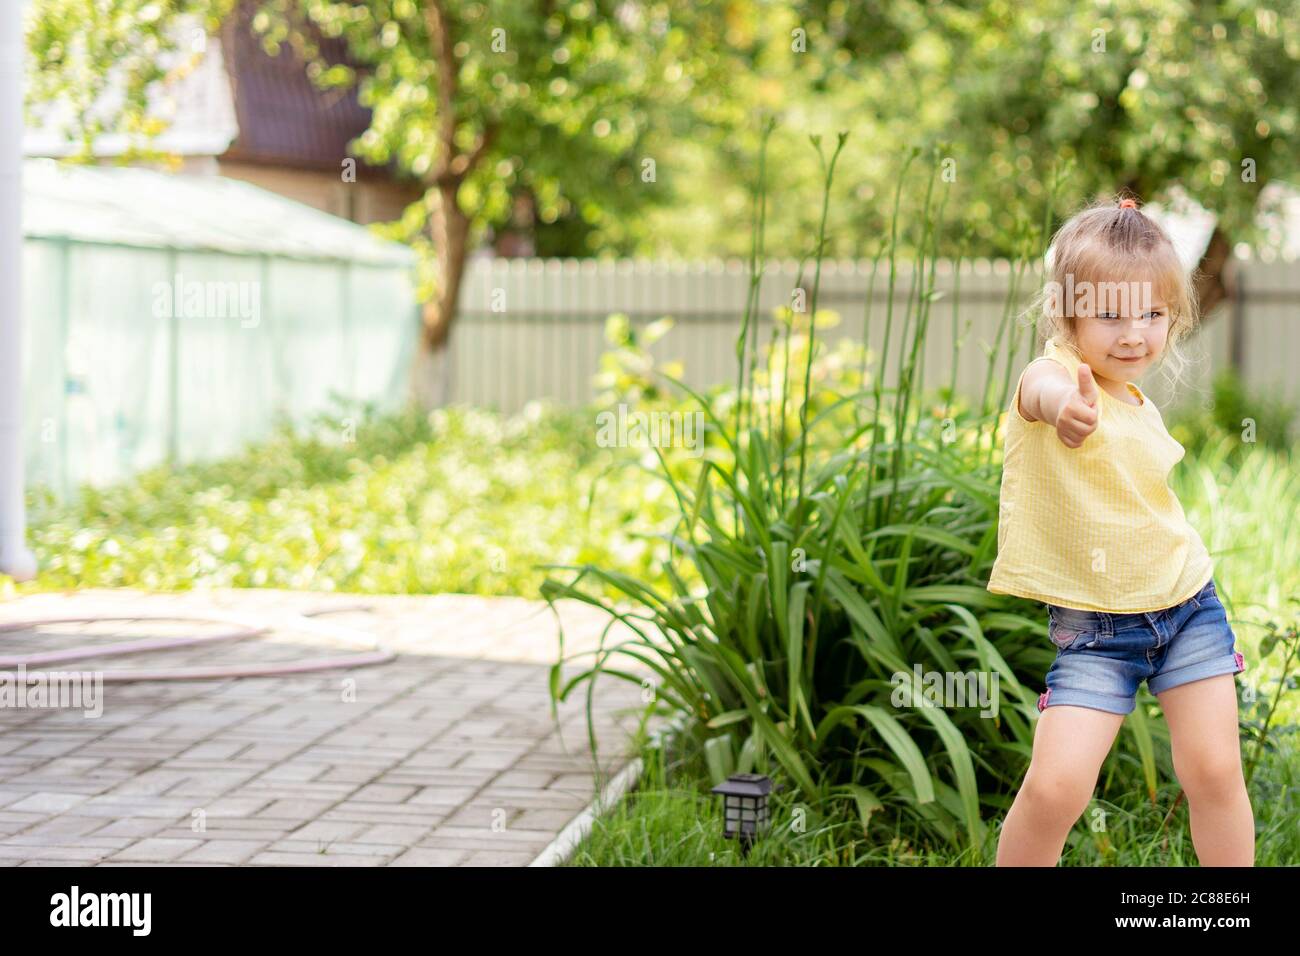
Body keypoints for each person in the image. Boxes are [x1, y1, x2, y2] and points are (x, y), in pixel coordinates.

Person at [987, 195, 1252, 866]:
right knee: (1055, 787)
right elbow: (1041, 396)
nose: (1134, 333)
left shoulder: (1133, 401)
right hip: (1097, 631)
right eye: (1109, 314)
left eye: (1153, 315)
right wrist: (1064, 411)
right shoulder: (1052, 377)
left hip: (1188, 608)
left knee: (1215, 773)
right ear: (1066, 311)